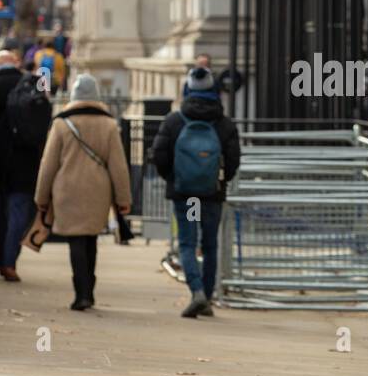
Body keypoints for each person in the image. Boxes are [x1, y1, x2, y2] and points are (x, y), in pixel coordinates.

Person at [35, 75, 132, 311]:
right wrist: (123, 199)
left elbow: (49, 164)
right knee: (91, 238)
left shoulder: (61, 124)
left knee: (75, 240)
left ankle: (81, 292)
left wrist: (41, 196)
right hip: (98, 191)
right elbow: (118, 165)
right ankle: (90, 286)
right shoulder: (109, 124)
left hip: (67, 190)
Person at [151, 65, 241, 318]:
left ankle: (197, 291)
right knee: (210, 244)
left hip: (188, 195)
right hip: (212, 195)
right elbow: (233, 159)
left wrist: (174, 179)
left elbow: (159, 154)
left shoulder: (175, 120)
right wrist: (221, 182)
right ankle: (208, 296)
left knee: (188, 243)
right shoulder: (223, 124)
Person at [0, 50, 50, 282]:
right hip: (26, 159)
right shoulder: (34, 83)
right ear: (15, 63)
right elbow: (44, 120)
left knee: (0, 208)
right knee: (19, 209)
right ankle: (9, 259)